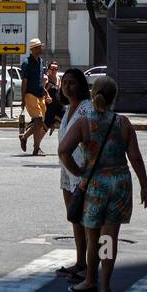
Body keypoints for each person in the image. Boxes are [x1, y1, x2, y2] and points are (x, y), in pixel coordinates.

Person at [58, 75, 147, 292]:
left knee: (93, 237)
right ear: (114, 98)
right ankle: (106, 285)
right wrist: (145, 186)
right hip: (119, 184)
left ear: (93, 94)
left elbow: (63, 151)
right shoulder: (123, 123)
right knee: (109, 238)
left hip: (94, 185)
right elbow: (135, 158)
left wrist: (79, 171)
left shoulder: (84, 123)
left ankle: (90, 279)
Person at [55, 67, 94, 281]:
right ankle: (80, 262)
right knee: (75, 219)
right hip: (68, 172)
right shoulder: (69, 108)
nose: (68, 87)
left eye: (72, 83)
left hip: (81, 171)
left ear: (81, 85)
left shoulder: (86, 108)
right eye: (65, 83)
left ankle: (89, 266)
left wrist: (82, 170)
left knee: (87, 220)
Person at [19, 38, 47, 156]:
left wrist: (46, 92)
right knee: (38, 120)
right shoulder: (26, 63)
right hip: (30, 94)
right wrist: (22, 99)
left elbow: (40, 79)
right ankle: (36, 148)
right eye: (40, 47)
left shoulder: (40, 61)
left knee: (42, 122)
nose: (42, 48)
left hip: (40, 95)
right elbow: (24, 82)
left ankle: (24, 137)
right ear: (34, 49)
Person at [44, 61, 64, 135]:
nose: (54, 71)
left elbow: (60, 91)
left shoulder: (58, 78)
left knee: (64, 118)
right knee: (44, 126)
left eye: (56, 69)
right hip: (48, 105)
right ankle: (26, 137)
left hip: (57, 105)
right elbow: (42, 90)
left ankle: (55, 123)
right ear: (48, 69)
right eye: (52, 69)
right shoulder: (46, 78)